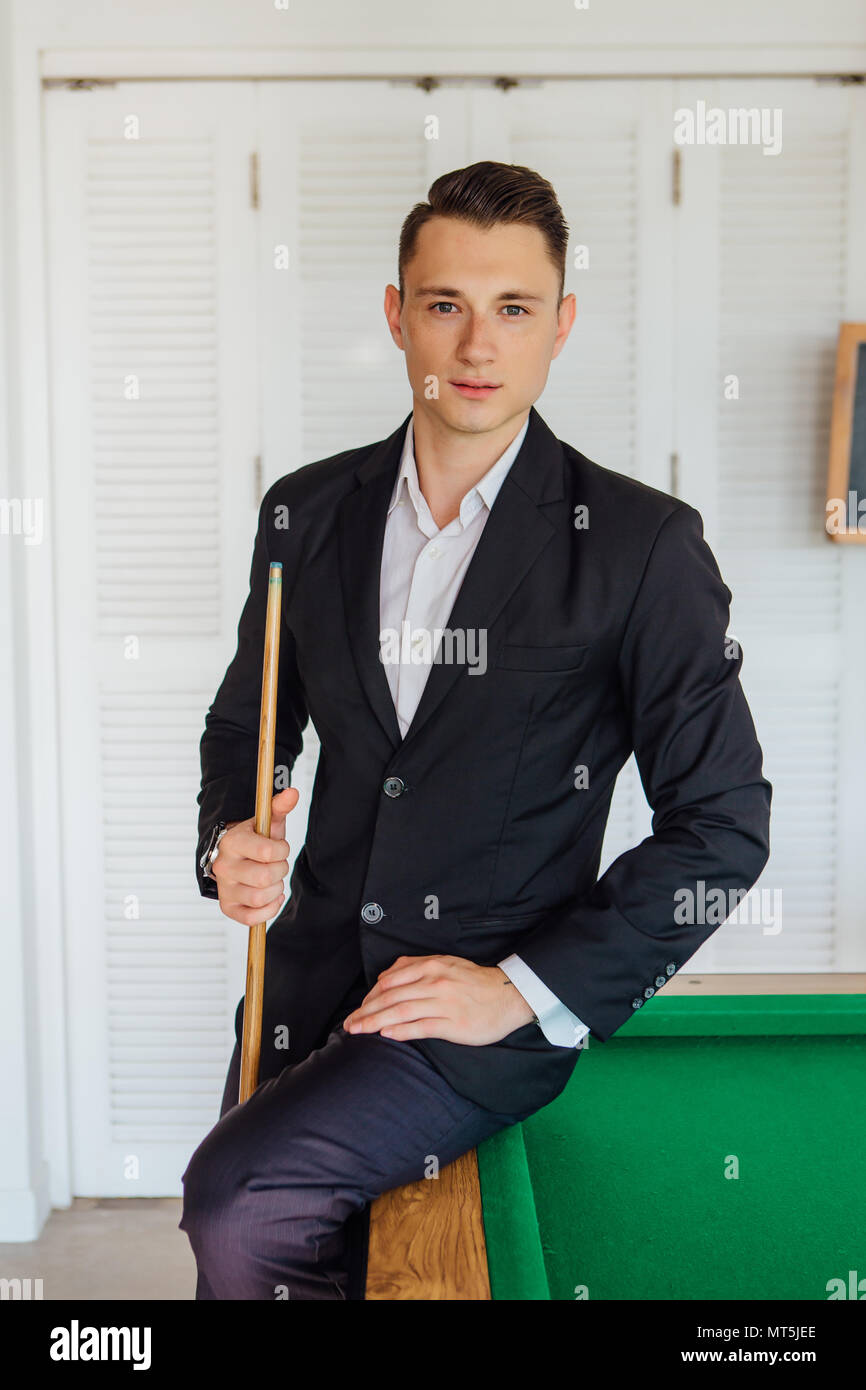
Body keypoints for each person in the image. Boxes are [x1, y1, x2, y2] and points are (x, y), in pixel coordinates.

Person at [179, 160, 772, 1300]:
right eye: (445, 304)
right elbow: (244, 721)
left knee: (240, 1206)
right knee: (265, 1250)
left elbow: (722, 825)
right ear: (397, 314)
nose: (475, 345)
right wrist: (228, 840)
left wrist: (518, 988)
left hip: (472, 1018)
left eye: (512, 309)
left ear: (561, 325)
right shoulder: (305, 511)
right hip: (301, 988)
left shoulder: (640, 545)